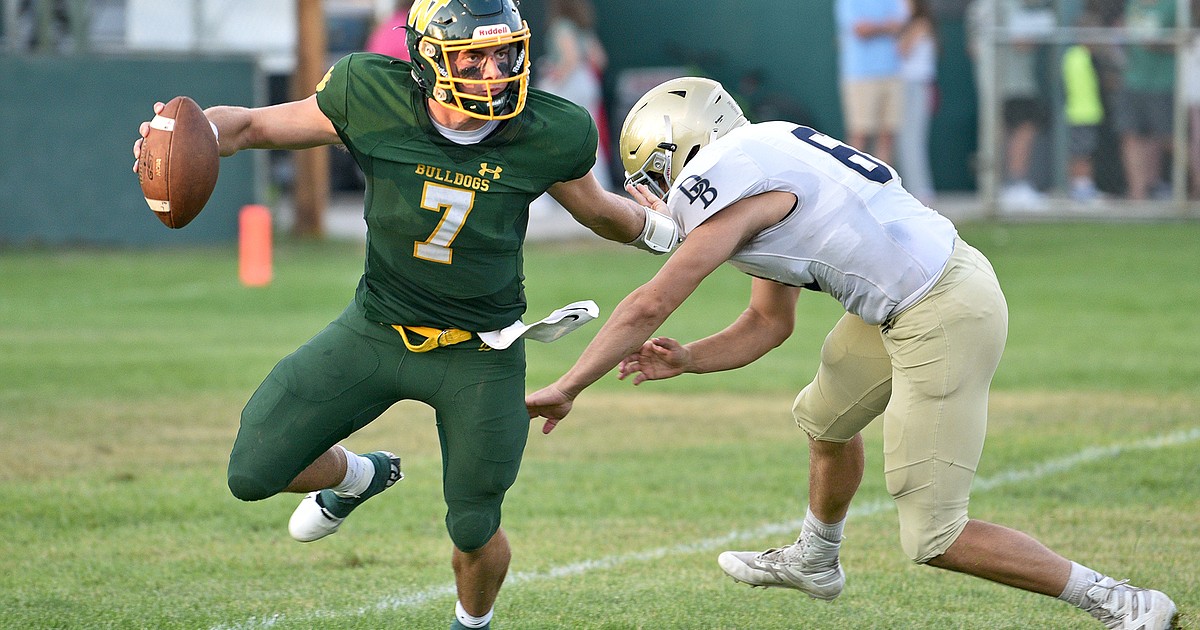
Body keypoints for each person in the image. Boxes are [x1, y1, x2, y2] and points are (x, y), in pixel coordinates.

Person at [526, 76, 1179, 629]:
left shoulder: (726, 175)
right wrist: (690, 358)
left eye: (655, 178)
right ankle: (817, 557)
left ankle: (1121, 600)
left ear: (681, 151)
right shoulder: (765, 152)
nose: (660, 194)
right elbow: (765, 323)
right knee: (823, 418)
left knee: (935, 535)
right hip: (919, 294)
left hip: (941, 309)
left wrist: (570, 384)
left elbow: (648, 303)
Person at [132, 2, 679, 629]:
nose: (493, 70)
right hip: (376, 328)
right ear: (425, 58)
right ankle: (356, 475)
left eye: (504, 53)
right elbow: (251, 125)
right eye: (472, 55)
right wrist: (189, 131)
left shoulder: (548, 130)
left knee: (474, 525)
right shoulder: (372, 97)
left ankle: (471, 624)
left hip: (481, 351)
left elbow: (598, 210)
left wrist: (671, 231)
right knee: (253, 470)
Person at [967, 0, 1055, 208]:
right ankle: (1015, 185)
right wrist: (1043, 29)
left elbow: (972, 48)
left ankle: (997, 186)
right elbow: (1021, 42)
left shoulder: (979, 6)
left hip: (992, 81)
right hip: (1015, 81)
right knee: (1022, 129)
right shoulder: (1005, 5)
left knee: (999, 132)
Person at [536, 0, 613, 189]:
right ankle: (600, 188)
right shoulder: (584, 29)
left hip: (569, 87)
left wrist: (554, 75)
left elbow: (571, 58)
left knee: (556, 138)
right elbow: (600, 60)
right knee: (591, 138)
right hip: (588, 84)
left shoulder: (561, 26)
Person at [1116, 0, 1177, 200]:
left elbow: (1189, 36)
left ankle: (1192, 185)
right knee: (1131, 135)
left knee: (1169, 139)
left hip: (1163, 81)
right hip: (1133, 80)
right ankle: (1137, 191)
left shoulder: (1174, 5)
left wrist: (1162, 42)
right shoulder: (1132, 5)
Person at [835, 0, 908, 165]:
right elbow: (860, 30)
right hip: (860, 75)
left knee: (888, 134)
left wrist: (875, 27)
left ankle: (884, 187)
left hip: (892, 72)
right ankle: (853, 187)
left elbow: (900, 25)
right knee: (860, 133)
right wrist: (886, 27)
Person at [896, 0, 938, 204]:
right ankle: (916, 190)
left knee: (911, 141)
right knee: (906, 141)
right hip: (912, 87)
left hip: (916, 87)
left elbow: (903, 50)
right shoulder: (915, 24)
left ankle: (920, 192)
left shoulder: (919, 24)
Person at [1061, 15, 1106, 204]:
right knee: (1081, 152)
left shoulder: (1077, 56)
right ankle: (1080, 187)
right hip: (1081, 112)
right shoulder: (1078, 57)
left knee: (1085, 151)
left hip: (1086, 112)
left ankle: (1083, 185)